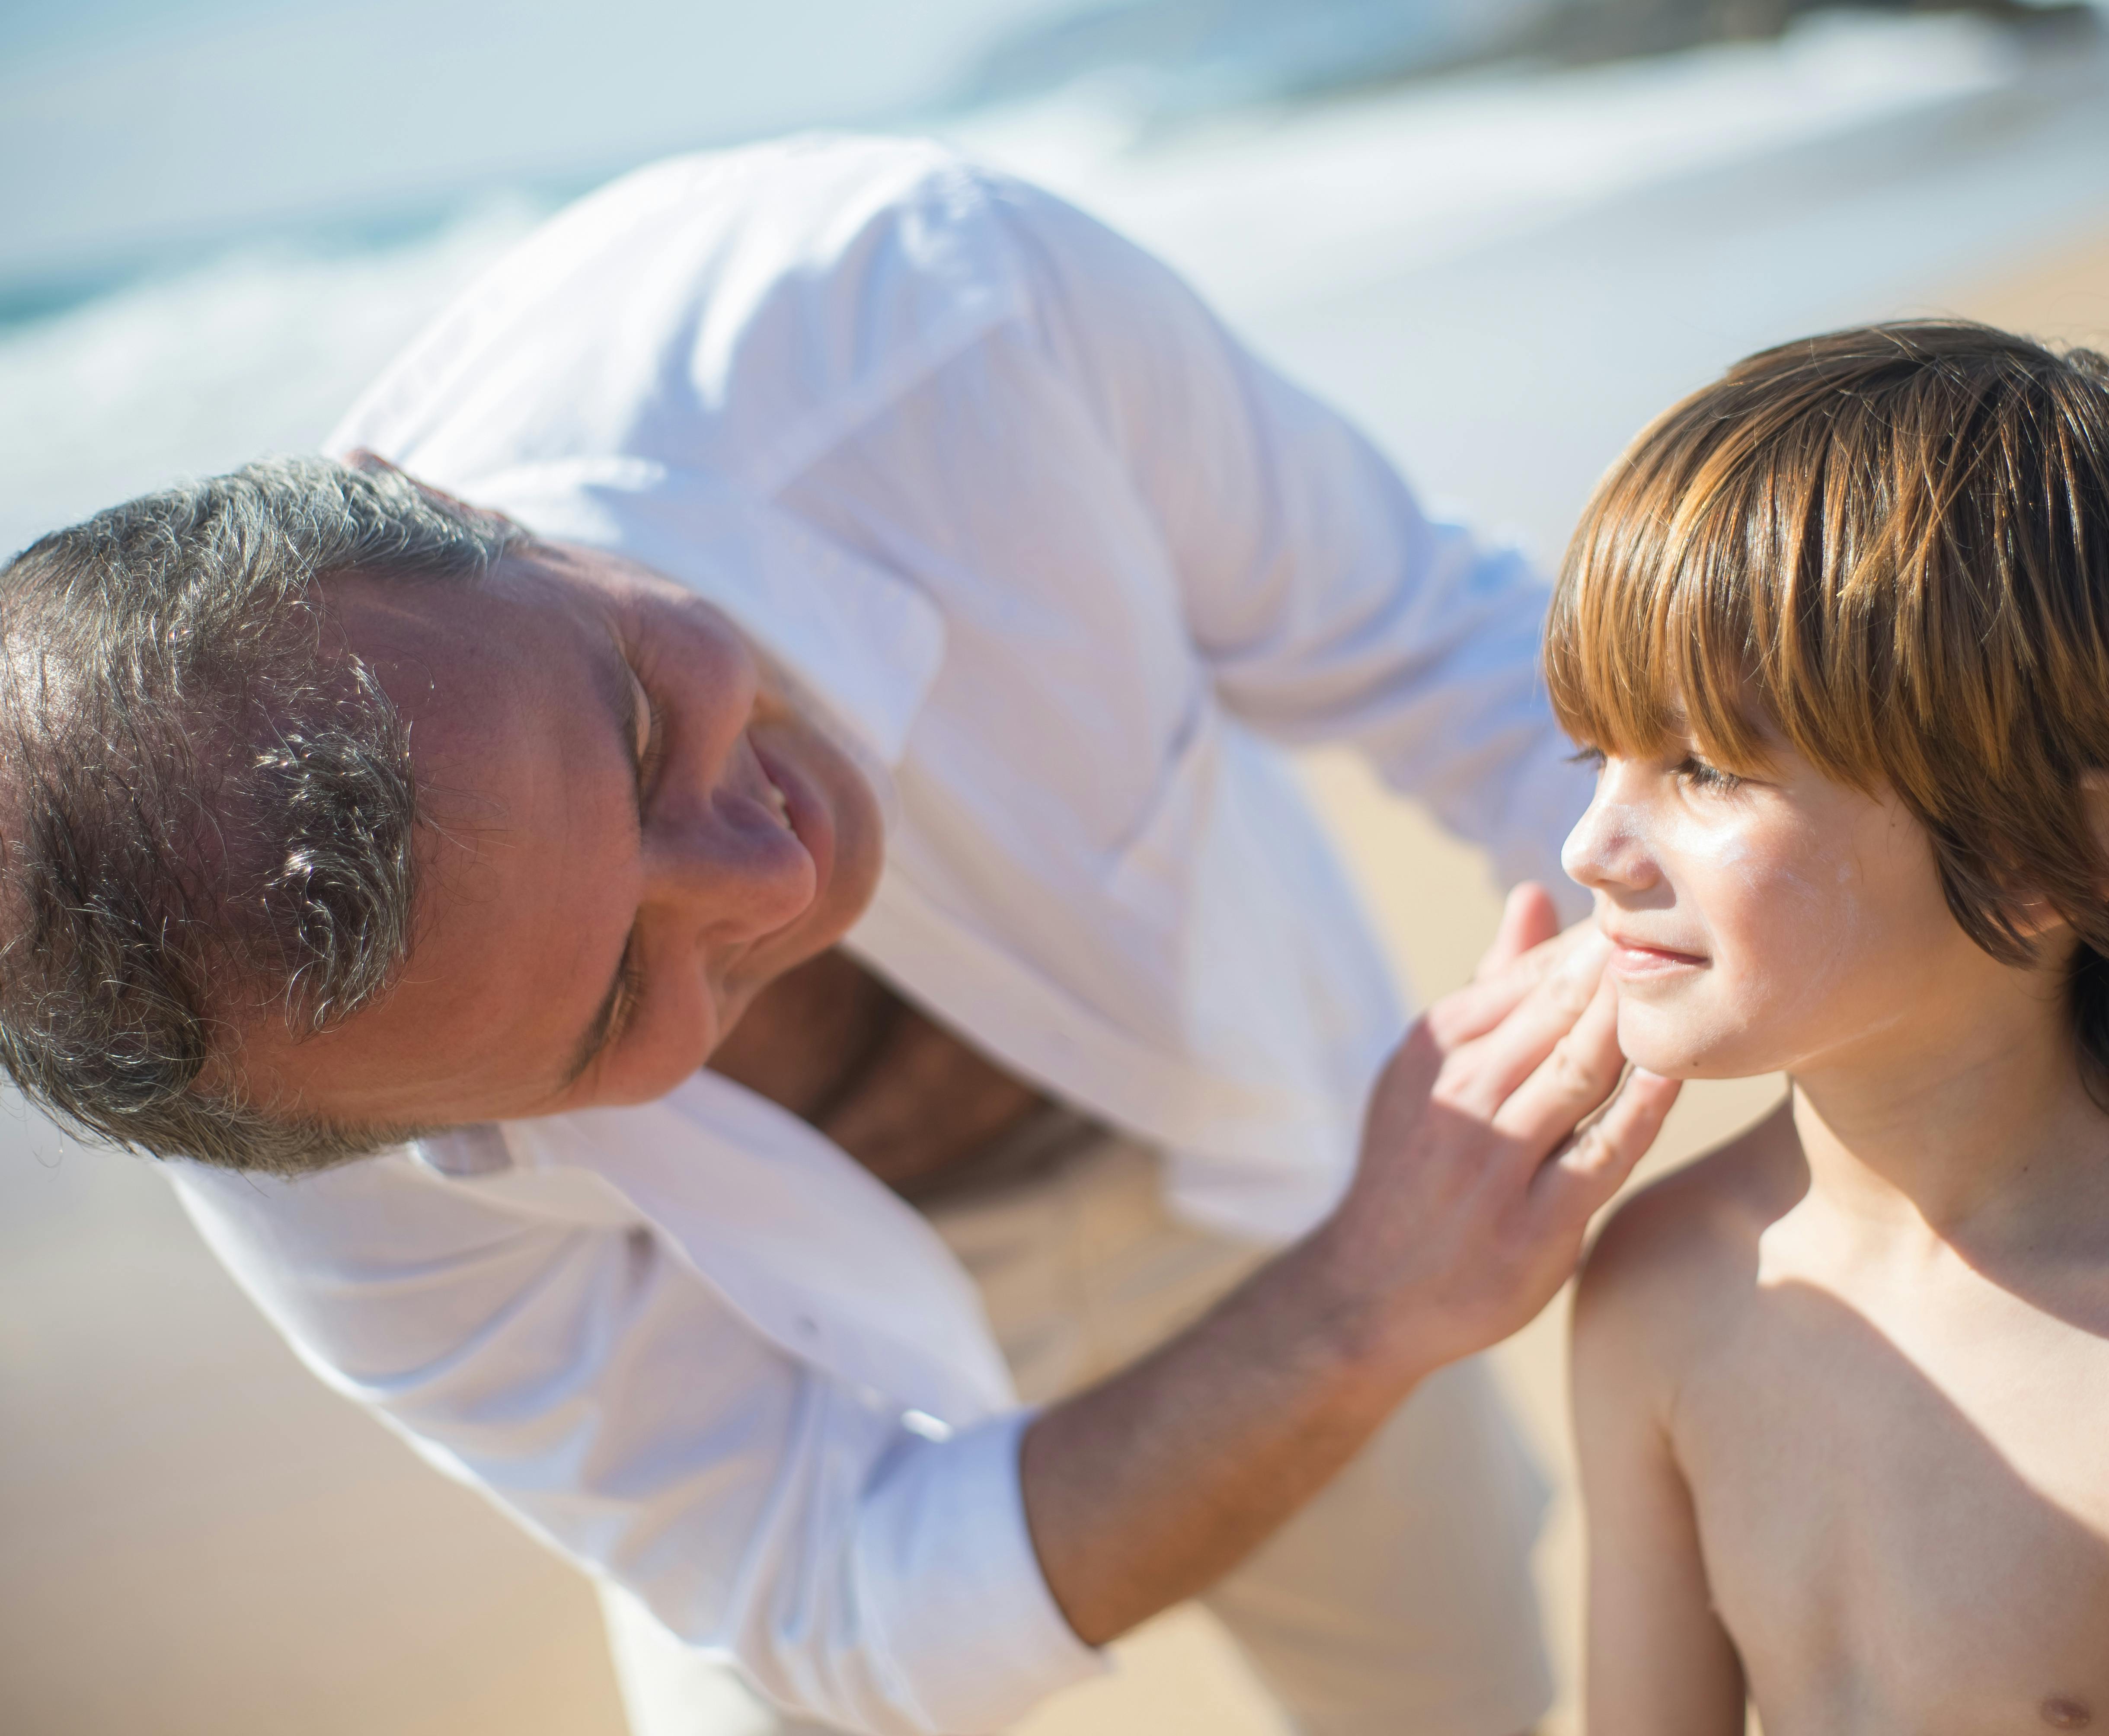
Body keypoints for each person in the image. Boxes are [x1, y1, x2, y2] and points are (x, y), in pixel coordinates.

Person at [0, 135, 1681, 1736]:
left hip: (1278, 1144)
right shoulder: (300, 1121)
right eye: (608, 1003)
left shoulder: (932, 316)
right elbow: (827, 1595)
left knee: (1454, 1690)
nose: (772, 882)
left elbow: (1449, 653)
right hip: (773, 1360)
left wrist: (1793, 987)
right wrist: (1360, 1306)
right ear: (393, 1133)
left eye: (644, 728)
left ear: (446, 503)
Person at [1553, 323, 2109, 1733]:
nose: (1592, 844)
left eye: (1709, 769)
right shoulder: (1660, 1294)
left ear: (2048, 853)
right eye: (1592, 752)